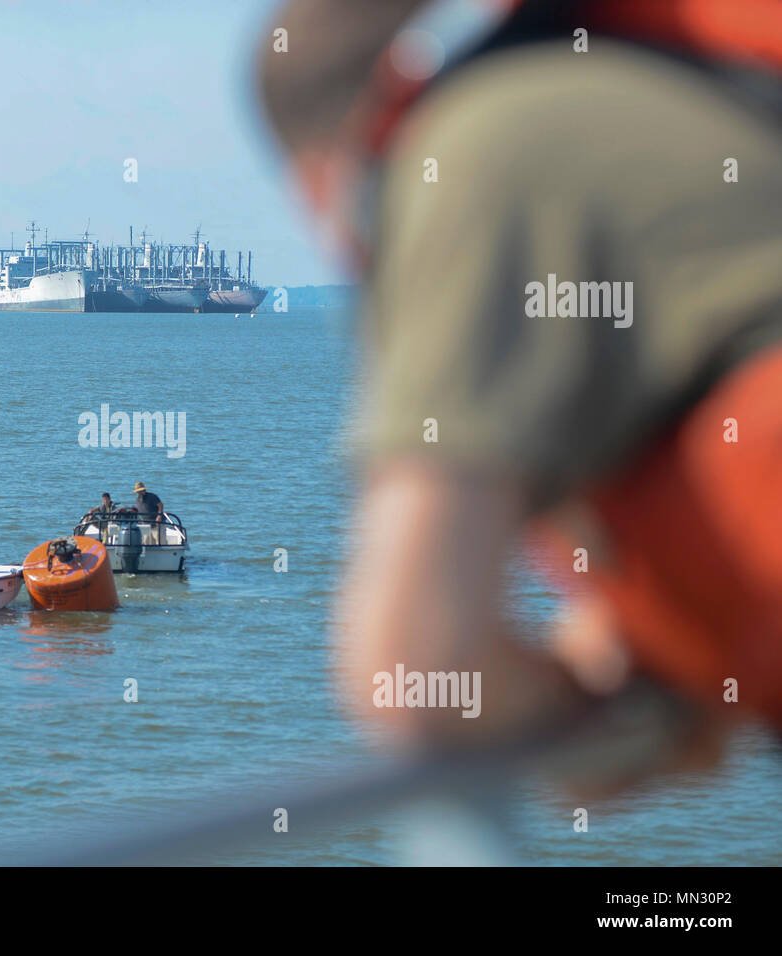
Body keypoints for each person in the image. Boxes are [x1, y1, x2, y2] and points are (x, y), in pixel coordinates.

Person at [255, 0, 782, 783]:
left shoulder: (478, 143)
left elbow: (413, 676)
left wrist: (576, 712)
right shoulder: (697, 100)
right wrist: (666, 643)